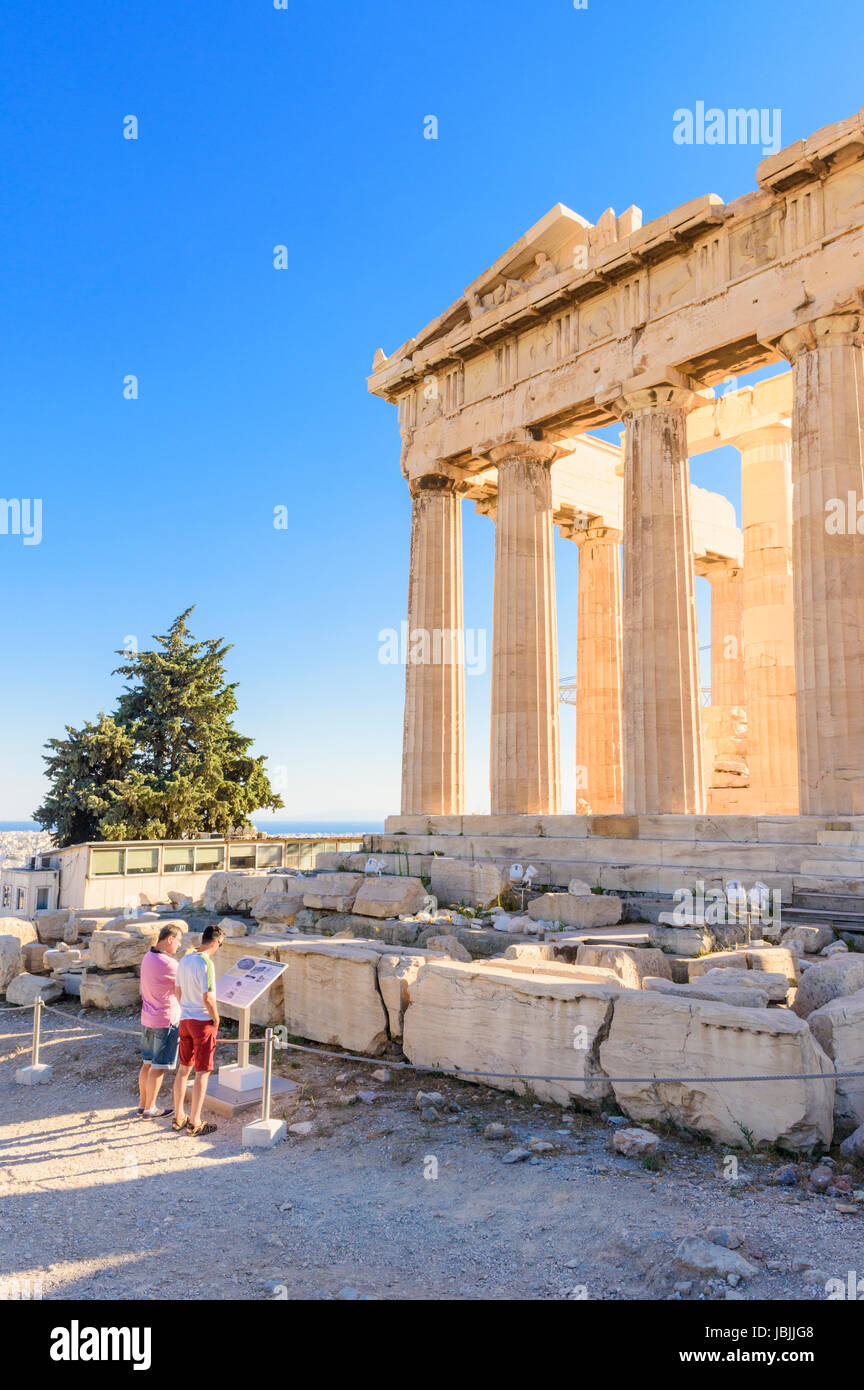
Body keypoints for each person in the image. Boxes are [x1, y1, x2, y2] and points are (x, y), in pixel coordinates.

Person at [173, 923, 225, 1137]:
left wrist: (186, 1007)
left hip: (185, 1018)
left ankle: (178, 1117)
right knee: (202, 1072)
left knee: (183, 1069)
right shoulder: (206, 963)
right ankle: (195, 1121)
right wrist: (216, 1018)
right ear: (214, 942)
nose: (218, 948)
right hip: (202, 1021)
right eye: (220, 945)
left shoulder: (184, 959)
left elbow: (177, 990)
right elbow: (208, 997)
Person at [137, 923, 183, 1117]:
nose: (179, 946)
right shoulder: (170, 964)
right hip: (165, 1020)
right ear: (170, 939)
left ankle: (143, 1103)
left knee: (147, 1063)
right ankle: (150, 1108)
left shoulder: (148, 957)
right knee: (158, 1067)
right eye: (179, 941)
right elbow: (182, 990)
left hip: (148, 1017)